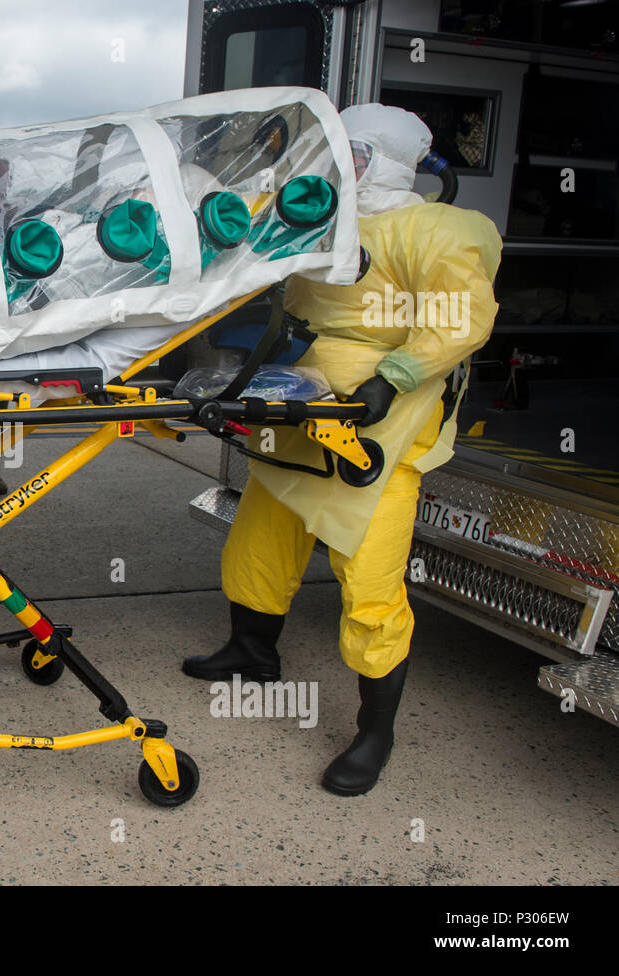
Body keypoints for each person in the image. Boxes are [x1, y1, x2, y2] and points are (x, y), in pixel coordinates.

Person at [181, 104, 502, 796]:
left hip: (372, 429)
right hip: (296, 408)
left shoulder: (435, 229)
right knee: (259, 543)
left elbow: (461, 320)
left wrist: (396, 378)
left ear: (379, 161)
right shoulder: (318, 217)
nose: (332, 167)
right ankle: (251, 652)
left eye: (346, 154)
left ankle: (374, 732)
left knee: (370, 585)